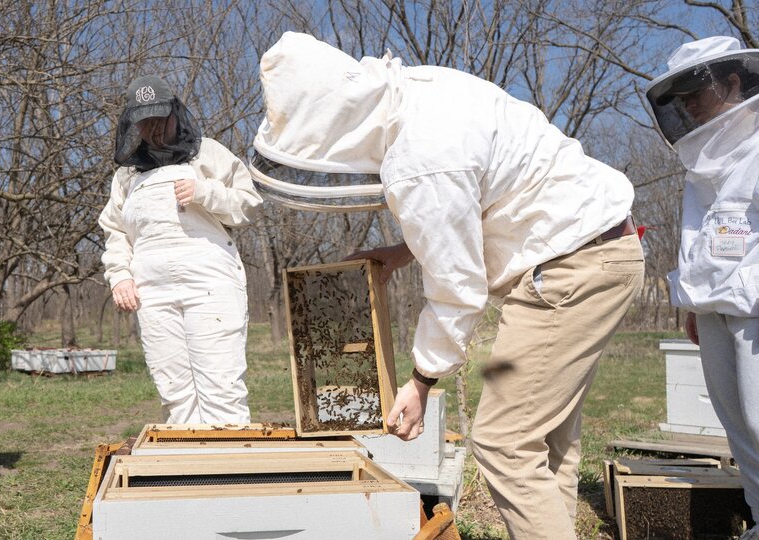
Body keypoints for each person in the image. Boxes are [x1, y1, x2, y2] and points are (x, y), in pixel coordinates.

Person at [250, 33, 644, 538]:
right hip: (599, 252)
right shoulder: (423, 88)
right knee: (547, 441)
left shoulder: (419, 156)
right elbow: (479, 198)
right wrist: (404, 249)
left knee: (504, 442)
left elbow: (458, 290)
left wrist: (421, 381)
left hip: (570, 269)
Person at [645, 36, 759, 538]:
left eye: (696, 91)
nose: (688, 105)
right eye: (680, 98)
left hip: (754, 306)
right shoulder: (700, 163)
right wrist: (692, 304)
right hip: (713, 309)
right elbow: (701, 241)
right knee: (738, 427)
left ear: (733, 82)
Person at [99, 75, 263, 424]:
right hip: (152, 292)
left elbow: (248, 203)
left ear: (176, 113)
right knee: (176, 394)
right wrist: (120, 276)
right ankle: (187, 460)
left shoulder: (208, 154)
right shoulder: (126, 177)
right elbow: (115, 230)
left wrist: (205, 193)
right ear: (133, 124)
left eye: (161, 118)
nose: (155, 128)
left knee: (221, 389)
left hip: (210, 284)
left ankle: (230, 460)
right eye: (146, 122)